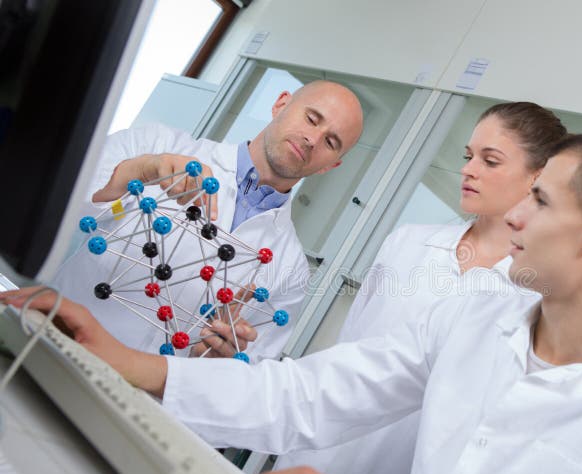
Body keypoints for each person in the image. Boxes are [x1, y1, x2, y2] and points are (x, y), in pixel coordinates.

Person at [3, 134, 582, 474]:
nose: (515, 220)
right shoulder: (478, 317)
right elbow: (312, 392)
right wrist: (132, 363)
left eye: (540, 201)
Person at [273, 102, 567, 474]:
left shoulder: (534, 299)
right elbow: (349, 350)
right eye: (468, 156)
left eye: (490, 160)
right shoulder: (407, 242)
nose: (468, 169)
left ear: (539, 177)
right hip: (311, 457)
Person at [51, 80, 363, 361]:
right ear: (281, 104)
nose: (313, 139)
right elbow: (61, 201)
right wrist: (140, 171)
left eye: (331, 142)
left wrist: (217, 360)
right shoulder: (156, 145)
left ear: (330, 166)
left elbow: (249, 367)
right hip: (51, 336)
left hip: (133, 400)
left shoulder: (291, 267)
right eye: (312, 118)